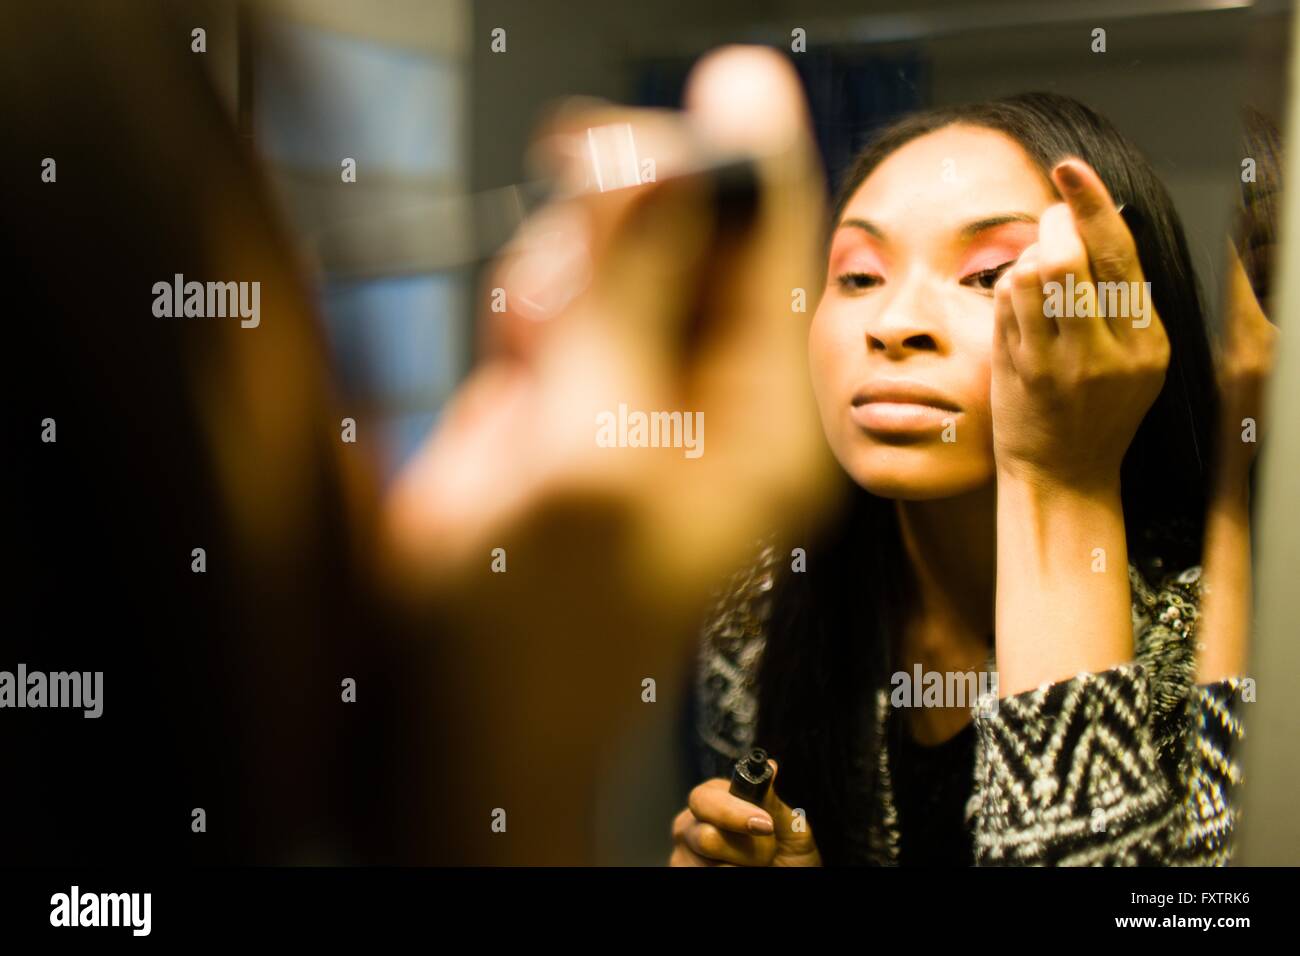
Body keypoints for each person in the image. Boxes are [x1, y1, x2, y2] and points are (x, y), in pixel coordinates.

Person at [673, 93, 1250, 866]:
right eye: (858, 276)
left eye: (987, 275)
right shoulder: (761, 594)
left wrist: (1060, 480)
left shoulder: (1223, 640)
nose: (892, 323)